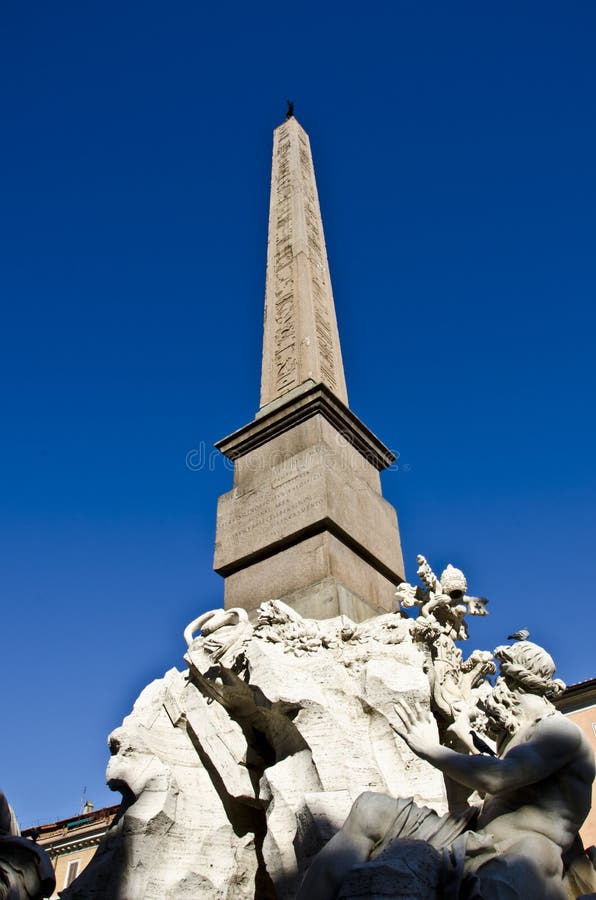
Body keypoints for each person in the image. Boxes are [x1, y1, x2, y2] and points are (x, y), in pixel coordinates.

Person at [296, 642, 595, 900]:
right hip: (466, 833)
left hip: (523, 851)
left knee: (493, 889)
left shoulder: (561, 732)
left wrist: (430, 748)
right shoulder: (517, 735)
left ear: (510, 687)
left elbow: (497, 778)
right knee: (370, 809)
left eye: (499, 681)